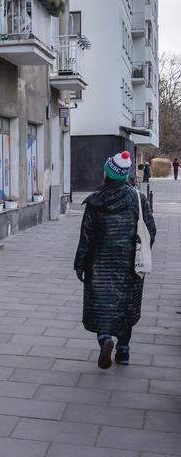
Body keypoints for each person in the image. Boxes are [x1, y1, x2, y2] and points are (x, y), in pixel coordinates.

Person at [75, 151, 156, 369]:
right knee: (126, 308)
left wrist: (80, 263)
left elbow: (86, 237)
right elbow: (151, 230)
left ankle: (105, 340)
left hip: (99, 266)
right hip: (130, 266)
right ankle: (124, 351)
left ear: (107, 174)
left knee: (102, 308)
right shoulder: (138, 199)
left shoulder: (95, 200)